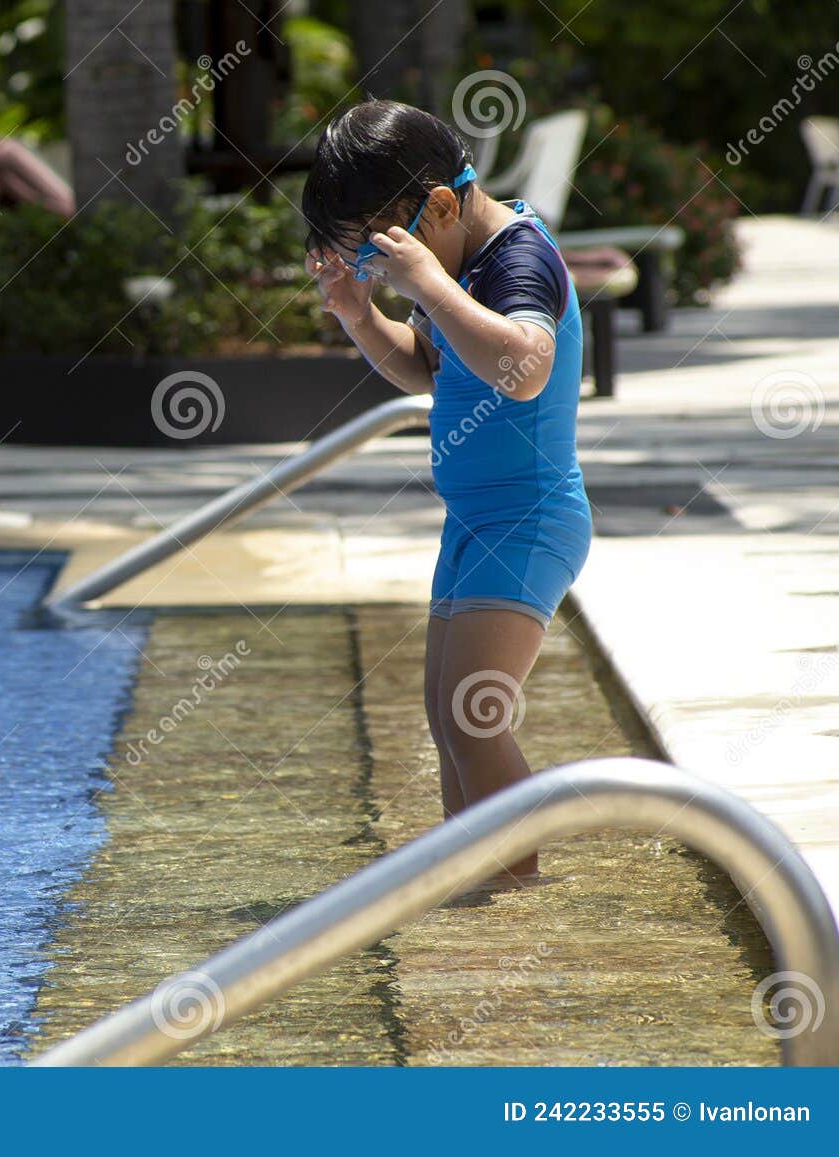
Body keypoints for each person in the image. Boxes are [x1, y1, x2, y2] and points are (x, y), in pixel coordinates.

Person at [301, 99, 592, 889]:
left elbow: (524, 367)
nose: (380, 272)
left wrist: (427, 283)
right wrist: (362, 315)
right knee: (449, 717)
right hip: (475, 522)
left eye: (379, 257)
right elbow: (430, 369)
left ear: (437, 205)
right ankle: (480, 881)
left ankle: (517, 891)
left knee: (474, 715)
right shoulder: (456, 258)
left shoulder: (518, 261)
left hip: (529, 518)